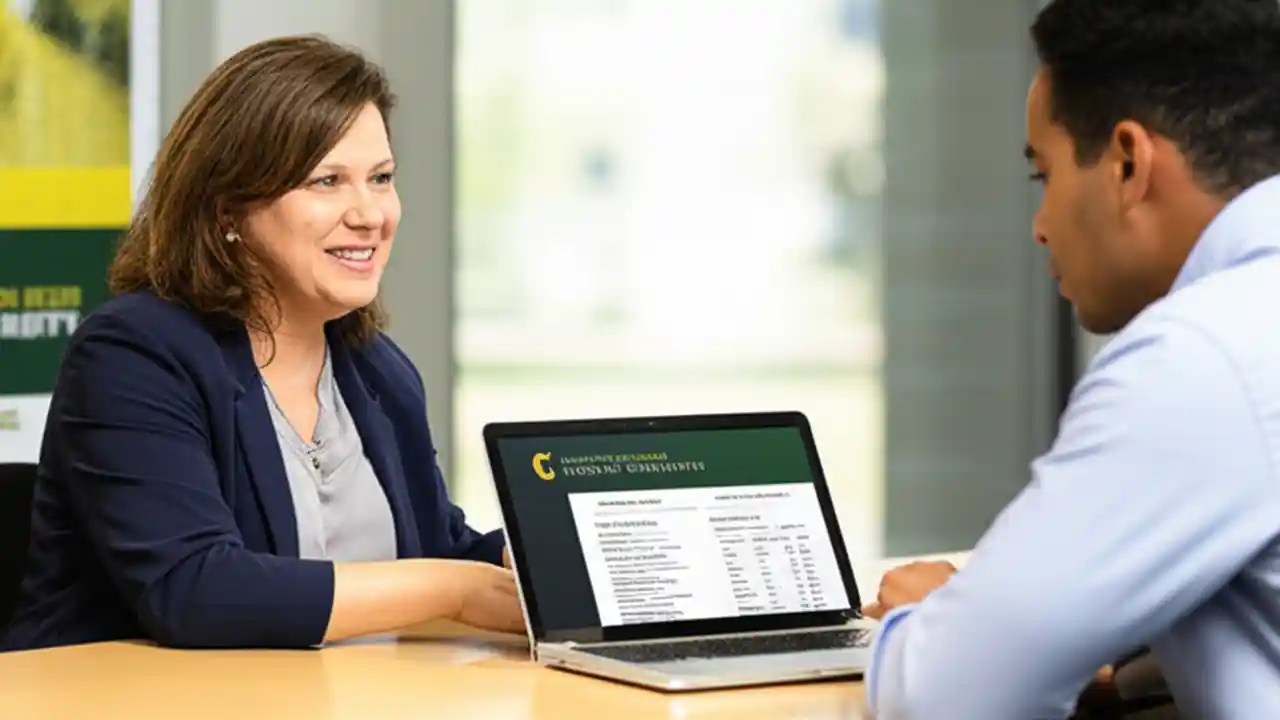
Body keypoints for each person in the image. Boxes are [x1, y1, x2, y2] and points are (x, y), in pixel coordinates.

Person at [1, 35, 524, 652]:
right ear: (228, 210)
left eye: (381, 178)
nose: (370, 214)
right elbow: (195, 590)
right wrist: (457, 592)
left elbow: (436, 547)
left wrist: (553, 556)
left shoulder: (379, 371)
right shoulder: (131, 356)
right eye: (327, 181)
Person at [861, 0, 1280, 717]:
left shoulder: (1202, 355)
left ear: (1127, 163)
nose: (1039, 226)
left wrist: (928, 619)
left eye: (1044, 176)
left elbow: (947, 697)